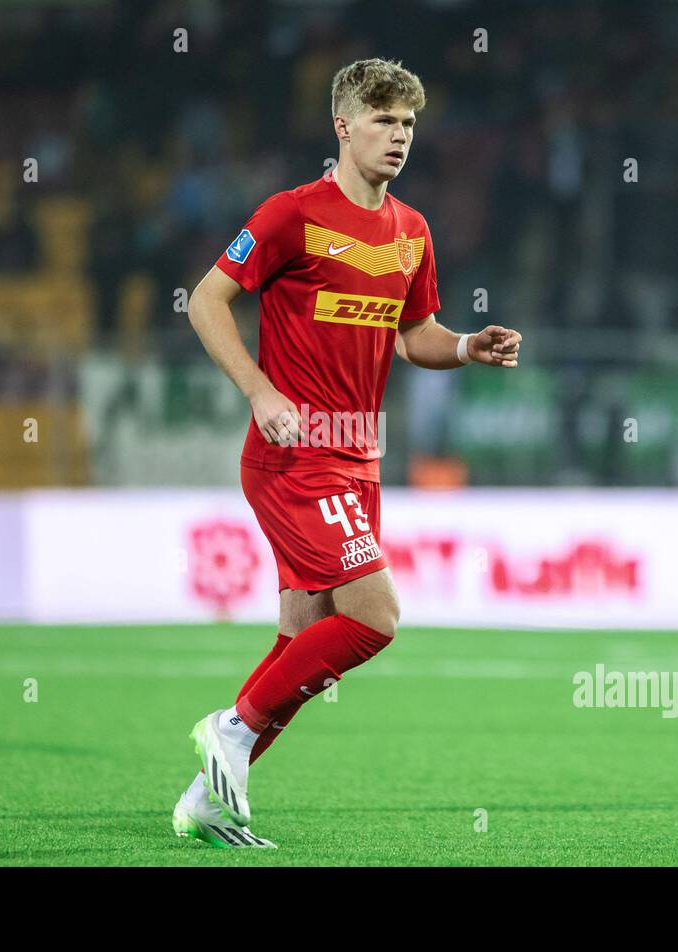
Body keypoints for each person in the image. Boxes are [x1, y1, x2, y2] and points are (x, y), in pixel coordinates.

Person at [176, 58, 522, 847]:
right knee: (376, 617)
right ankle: (229, 730)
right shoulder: (290, 214)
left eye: (407, 124)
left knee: (302, 644)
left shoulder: (410, 230)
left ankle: (206, 798)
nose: (398, 137)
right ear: (342, 126)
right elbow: (205, 301)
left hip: (358, 460)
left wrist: (467, 346)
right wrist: (261, 392)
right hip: (293, 459)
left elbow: (413, 336)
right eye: (382, 121)